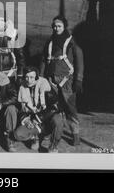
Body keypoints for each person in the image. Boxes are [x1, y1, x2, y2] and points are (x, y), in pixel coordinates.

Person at [39, 15, 84, 146]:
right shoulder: (50, 42)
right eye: (54, 26)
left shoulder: (71, 42)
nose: (56, 28)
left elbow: (80, 60)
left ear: (64, 27)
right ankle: (49, 131)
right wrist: (41, 77)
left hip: (67, 81)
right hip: (51, 80)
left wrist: (79, 79)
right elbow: (43, 59)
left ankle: (75, 134)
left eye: (59, 26)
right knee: (50, 107)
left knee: (70, 108)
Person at [14, 67, 51, 151]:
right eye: (26, 77)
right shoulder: (22, 87)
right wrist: (26, 120)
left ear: (36, 77)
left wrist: (38, 118)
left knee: (56, 120)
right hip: (31, 118)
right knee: (17, 134)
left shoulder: (44, 84)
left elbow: (53, 107)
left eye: (31, 77)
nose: (29, 80)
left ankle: (47, 134)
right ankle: (35, 136)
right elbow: (20, 108)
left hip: (45, 116)